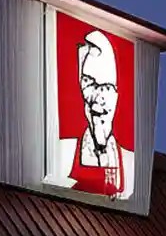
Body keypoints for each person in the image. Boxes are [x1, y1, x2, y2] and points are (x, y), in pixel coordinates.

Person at [55, 30, 134, 199]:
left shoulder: (131, 164)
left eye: (105, 88)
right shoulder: (62, 153)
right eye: (88, 84)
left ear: (118, 94)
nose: (96, 101)